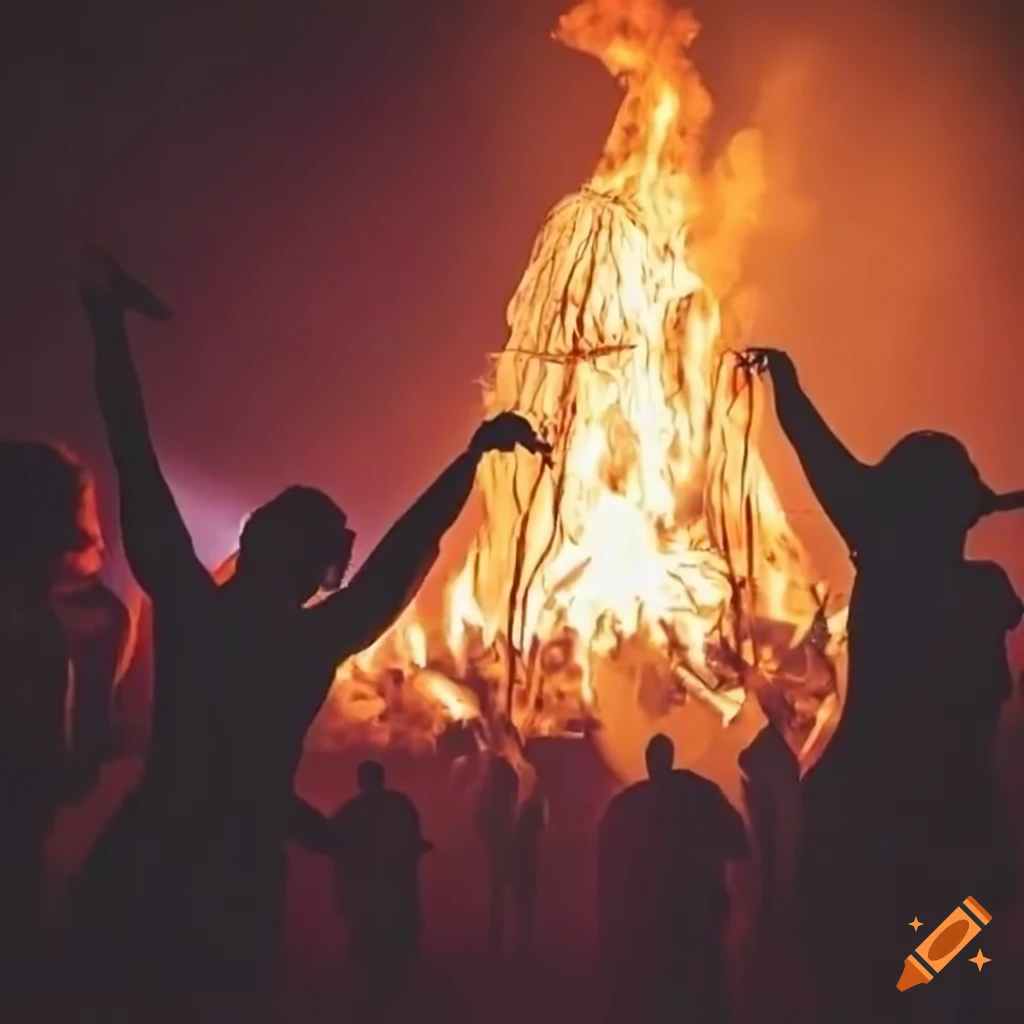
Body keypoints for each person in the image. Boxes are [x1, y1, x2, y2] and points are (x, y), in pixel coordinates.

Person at [64, 247, 551, 1019]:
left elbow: (130, 444)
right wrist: (472, 456)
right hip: (226, 895)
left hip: (142, 866)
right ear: (322, 569)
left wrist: (104, 322)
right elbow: (399, 561)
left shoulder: (193, 610)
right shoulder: (308, 646)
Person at [748, 347, 1024, 1023]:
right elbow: (819, 450)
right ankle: (914, 983)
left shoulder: (924, 561)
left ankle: (905, 984)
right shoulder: (984, 593)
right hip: (914, 814)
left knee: (896, 954)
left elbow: (820, 453)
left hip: (890, 809)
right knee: (954, 926)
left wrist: (787, 380)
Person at [0, 440, 129, 1011]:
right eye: (80, 531)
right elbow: (74, 768)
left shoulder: (55, 622)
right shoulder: (45, 630)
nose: (98, 546)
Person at [596, 733, 750, 1023]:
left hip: (652, 914)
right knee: (703, 979)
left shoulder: (627, 805)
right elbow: (738, 842)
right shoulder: (702, 794)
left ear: (649, 762)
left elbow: (607, 862)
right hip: (699, 907)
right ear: (671, 756)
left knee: (660, 987)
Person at [331, 760, 432, 992]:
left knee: (369, 946)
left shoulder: (352, 810)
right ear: (382, 778)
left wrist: (342, 894)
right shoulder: (401, 805)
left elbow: (337, 848)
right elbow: (413, 844)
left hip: (367, 892)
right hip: (397, 890)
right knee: (397, 944)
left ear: (360, 781)